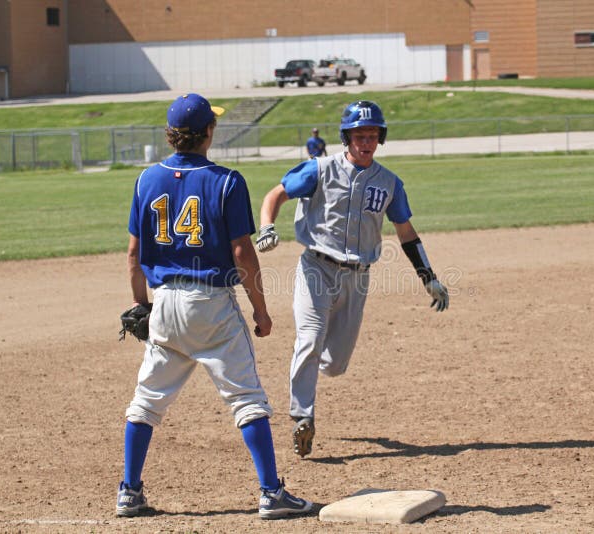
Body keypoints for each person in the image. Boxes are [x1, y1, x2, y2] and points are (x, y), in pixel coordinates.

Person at [116, 93, 313, 519]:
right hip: (212, 304)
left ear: (172, 135)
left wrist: (141, 305)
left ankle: (129, 491)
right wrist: (260, 310)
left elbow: (133, 255)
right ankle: (271, 493)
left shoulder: (146, 180)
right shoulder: (227, 181)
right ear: (208, 132)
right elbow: (243, 253)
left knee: (146, 401)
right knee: (246, 398)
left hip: (165, 302)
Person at [255, 100, 450, 458]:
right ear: (347, 137)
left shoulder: (389, 183)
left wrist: (428, 277)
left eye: (372, 135)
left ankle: (313, 375)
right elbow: (275, 194)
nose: (366, 142)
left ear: (380, 138)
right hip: (316, 267)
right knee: (309, 339)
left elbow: (406, 232)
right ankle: (302, 417)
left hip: (358, 278)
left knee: (336, 364)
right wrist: (267, 226)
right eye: (359, 135)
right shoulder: (320, 169)